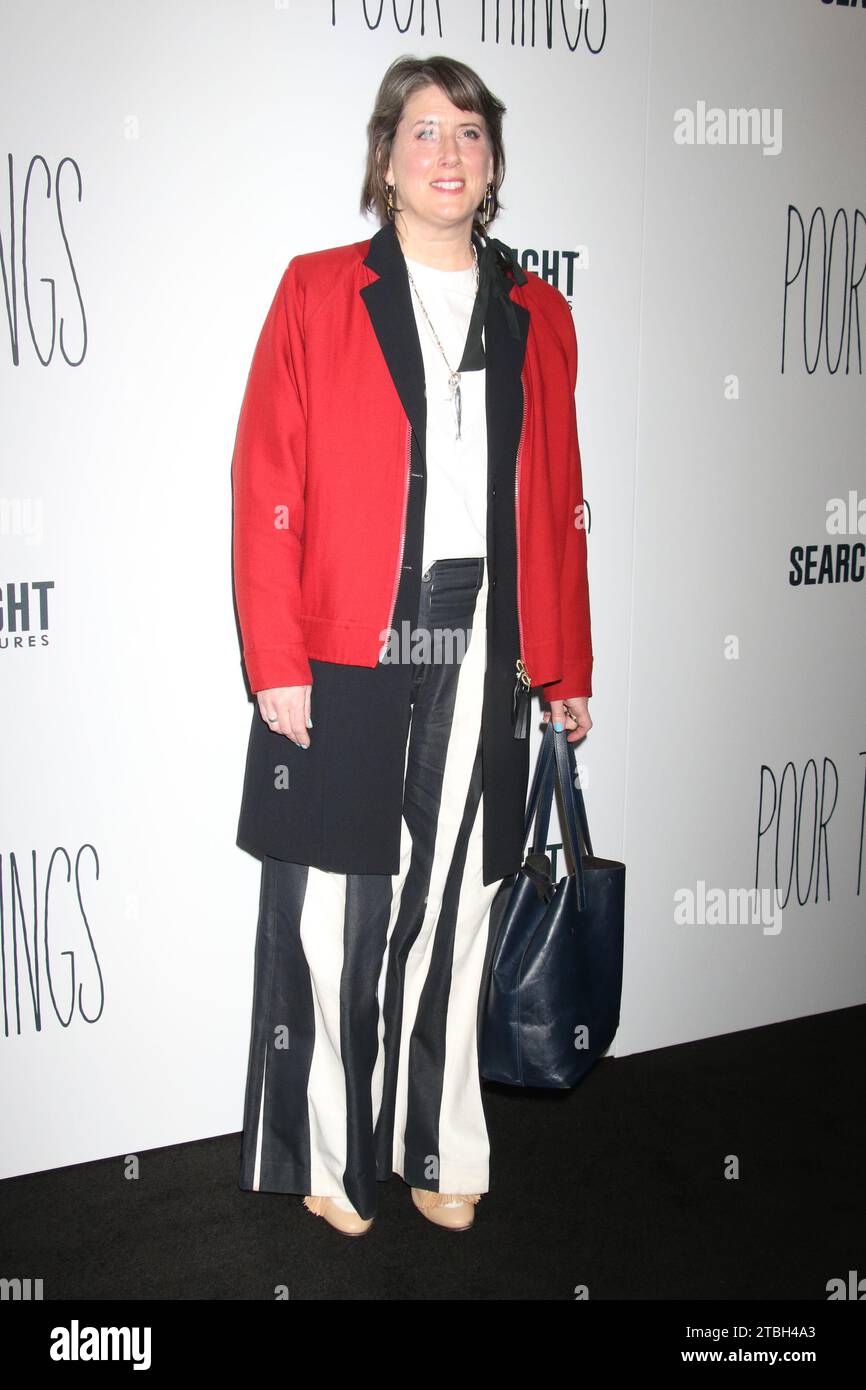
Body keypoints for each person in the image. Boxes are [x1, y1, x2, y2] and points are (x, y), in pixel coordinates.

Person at [230, 53, 593, 1237]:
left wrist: (566, 665)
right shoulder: (315, 290)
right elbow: (265, 479)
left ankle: (438, 1142)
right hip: (348, 632)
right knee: (338, 904)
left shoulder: (538, 313)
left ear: (491, 165)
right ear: (385, 161)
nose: (449, 153)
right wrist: (275, 654)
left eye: (470, 134)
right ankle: (332, 1156)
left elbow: (556, 500)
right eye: (425, 132)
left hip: (485, 633)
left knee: (454, 906)